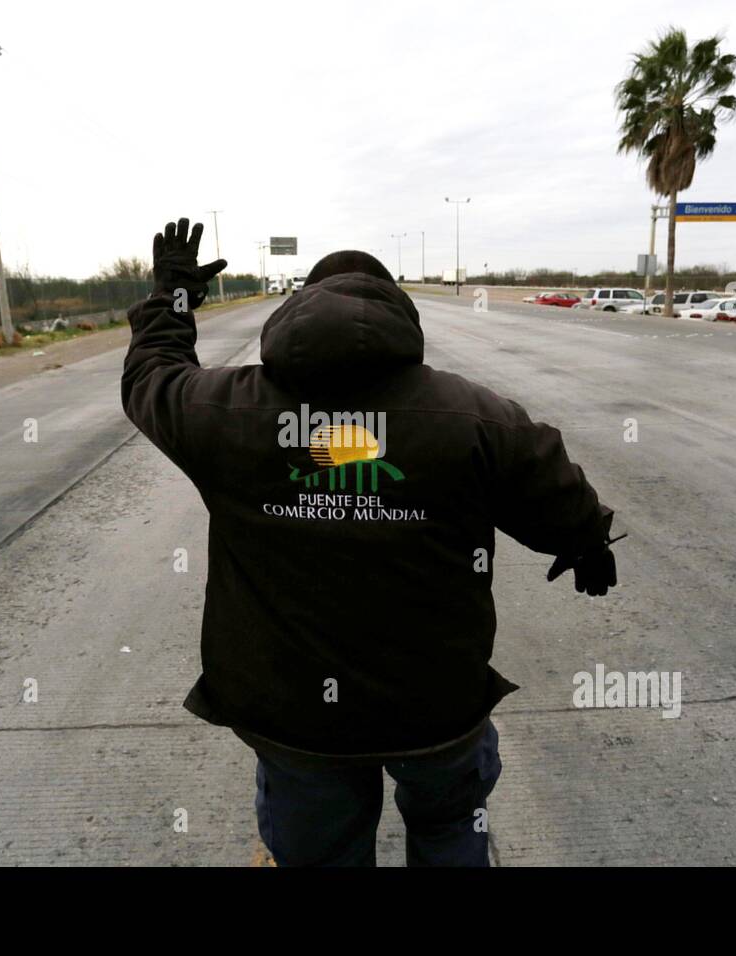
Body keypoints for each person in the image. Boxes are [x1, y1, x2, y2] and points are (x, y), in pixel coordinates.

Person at [122, 218, 617, 867]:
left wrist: (174, 297)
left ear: (295, 309)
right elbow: (550, 481)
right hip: (437, 711)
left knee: (320, 854)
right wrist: (584, 541)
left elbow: (150, 376)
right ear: (401, 315)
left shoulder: (224, 411)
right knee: (447, 834)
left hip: (294, 718)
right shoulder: (474, 416)